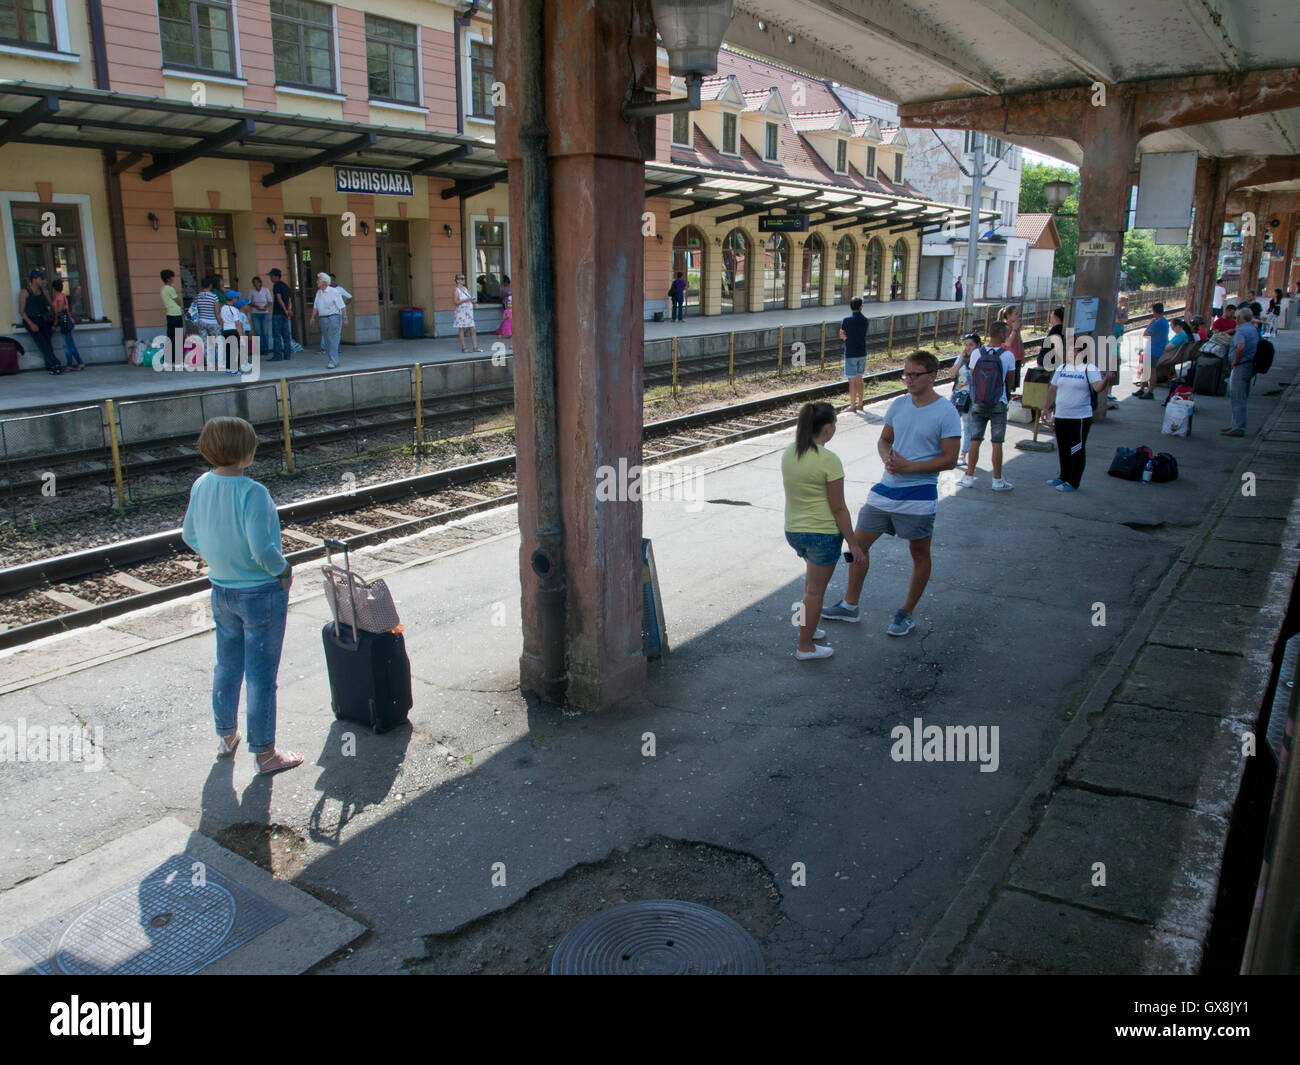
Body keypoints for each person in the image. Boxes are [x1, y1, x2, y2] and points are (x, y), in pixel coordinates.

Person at [182, 416, 302, 775]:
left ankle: (226, 735)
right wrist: (283, 570)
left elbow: (189, 534)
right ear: (247, 451)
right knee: (262, 675)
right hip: (260, 593)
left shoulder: (201, 485)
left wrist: (221, 560)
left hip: (221, 590)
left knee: (227, 665)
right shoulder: (253, 493)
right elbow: (263, 549)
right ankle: (265, 754)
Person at [822, 350, 961, 637]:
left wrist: (911, 467)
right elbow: (884, 440)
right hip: (886, 489)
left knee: (919, 553)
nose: (908, 379)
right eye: (905, 374)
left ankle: (906, 612)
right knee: (856, 547)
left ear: (932, 376)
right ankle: (850, 604)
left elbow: (949, 459)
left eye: (915, 374)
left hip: (920, 493)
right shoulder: (898, 405)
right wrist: (887, 457)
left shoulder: (946, 412)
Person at [781, 402, 866, 660]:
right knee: (814, 592)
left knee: (811, 587)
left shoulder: (790, 452)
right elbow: (839, 508)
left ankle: (809, 629)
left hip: (794, 531)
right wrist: (853, 543)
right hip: (822, 534)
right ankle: (805, 646)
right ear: (828, 429)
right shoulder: (829, 461)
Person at [956, 320, 1016, 491]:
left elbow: (974, 377)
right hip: (999, 402)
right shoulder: (1008, 355)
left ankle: (968, 477)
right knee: (997, 442)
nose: (1007, 335)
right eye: (1006, 332)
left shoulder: (976, 354)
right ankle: (997, 481)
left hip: (979, 402)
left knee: (975, 440)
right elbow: (1010, 382)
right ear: (1000, 334)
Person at [1041, 335, 1106, 491]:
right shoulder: (1062, 368)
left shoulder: (1089, 369)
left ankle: (1073, 481)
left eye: (1073, 349)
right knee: (1063, 447)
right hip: (1062, 415)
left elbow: (1097, 387)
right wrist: (1046, 408)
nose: (1069, 352)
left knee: (1076, 448)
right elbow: (1053, 389)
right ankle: (1063, 476)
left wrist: (1107, 379)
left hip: (1080, 417)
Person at [1222, 305, 1260, 438]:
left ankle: (1238, 428)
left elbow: (1240, 347)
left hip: (1241, 366)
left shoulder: (1241, 331)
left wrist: (1235, 361)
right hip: (1250, 366)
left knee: (1237, 398)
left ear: (1239, 318)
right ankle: (1235, 424)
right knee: (1241, 396)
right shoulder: (1252, 329)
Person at [20, 269, 61, 374]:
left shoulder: (44, 291)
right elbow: (22, 311)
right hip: (32, 320)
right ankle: (55, 363)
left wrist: (55, 320)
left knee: (47, 343)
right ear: (34, 279)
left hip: (44, 319)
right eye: (41, 279)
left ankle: (50, 365)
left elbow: (52, 306)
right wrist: (30, 323)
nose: (44, 281)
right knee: (42, 343)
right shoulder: (25, 292)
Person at [951, 331, 980, 464]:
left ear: (978, 346)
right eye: (966, 345)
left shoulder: (980, 359)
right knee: (951, 423)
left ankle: (963, 454)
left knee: (967, 426)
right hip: (957, 395)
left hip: (970, 397)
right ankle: (950, 451)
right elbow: (952, 375)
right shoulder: (961, 358)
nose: (968, 348)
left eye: (971, 345)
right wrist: (961, 360)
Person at [839, 297, 869, 412]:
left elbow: (842, 335)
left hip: (850, 353)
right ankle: (860, 404)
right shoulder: (865, 320)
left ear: (851, 307)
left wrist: (847, 338)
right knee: (860, 379)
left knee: (852, 381)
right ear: (861, 307)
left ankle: (852, 406)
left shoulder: (846, 320)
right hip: (862, 352)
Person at [310, 272, 346, 368]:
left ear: (324, 282)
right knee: (327, 340)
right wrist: (312, 317)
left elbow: (342, 306)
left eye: (318, 280)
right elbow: (315, 306)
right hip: (323, 318)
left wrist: (345, 318)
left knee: (332, 339)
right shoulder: (319, 293)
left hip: (333, 317)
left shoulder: (333, 291)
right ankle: (333, 360)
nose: (317, 281)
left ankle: (333, 361)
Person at [1134, 302, 1169, 399]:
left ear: (1154, 311)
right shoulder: (1165, 322)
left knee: (1151, 371)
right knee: (1147, 370)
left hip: (1153, 349)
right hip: (1157, 348)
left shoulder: (1157, 323)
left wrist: (1150, 323)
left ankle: (1150, 392)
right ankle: (1142, 389)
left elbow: (1145, 334)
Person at [50, 279, 83, 370]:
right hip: (67, 323)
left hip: (66, 323)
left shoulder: (59, 297)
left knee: (68, 345)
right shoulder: (61, 296)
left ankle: (71, 364)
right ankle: (79, 363)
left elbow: (59, 311)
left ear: (53, 288)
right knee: (70, 344)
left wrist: (55, 323)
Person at [191, 276, 222, 360]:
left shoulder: (197, 297)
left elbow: (194, 309)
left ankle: (209, 361)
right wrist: (221, 323)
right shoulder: (213, 297)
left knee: (204, 342)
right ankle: (219, 360)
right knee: (217, 342)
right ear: (210, 285)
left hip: (201, 321)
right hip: (212, 322)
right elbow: (217, 312)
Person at [219, 289, 247, 375]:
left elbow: (221, 320)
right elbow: (237, 323)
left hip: (225, 331)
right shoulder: (233, 309)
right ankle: (235, 369)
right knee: (235, 350)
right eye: (236, 298)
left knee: (228, 350)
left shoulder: (223, 308)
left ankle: (228, 368)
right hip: (233, 330)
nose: (237, 299)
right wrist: (241, 335)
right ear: (233, 299)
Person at [268, 267, 293, 362]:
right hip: (285, 314)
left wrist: (284, 309)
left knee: (277, 335)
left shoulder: (276, 285)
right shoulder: (286, 286)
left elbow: (278, 298)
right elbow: (289, 300)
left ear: (276, 276)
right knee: (286, 335)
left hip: (278, 313)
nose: (270, 278)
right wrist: (288, 310)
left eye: (271, 276)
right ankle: (287, 354)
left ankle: (277, 355)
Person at [453, 272, 480, 352]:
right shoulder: (456, 290)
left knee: (473, 328)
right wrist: (466, 300)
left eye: (464, 278)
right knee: (462, 329)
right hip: (461, 312)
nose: (463, 280)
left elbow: (467, 298)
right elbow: (455, 302)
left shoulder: (465, 289)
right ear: (457, 280)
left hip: (468, 312)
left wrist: (470, 299)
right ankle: (464, 347)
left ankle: (475, 347)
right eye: (462, 279)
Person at [161, 269, 184, 357]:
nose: (173, 279)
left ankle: (169, 358)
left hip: (169, 314)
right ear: (168, 279)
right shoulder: (170, 288)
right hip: (176, 314)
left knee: (170, 336)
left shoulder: (162, 288)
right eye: (172, 277)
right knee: (178, 337)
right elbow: (177, 300)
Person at [248, 276, 272, 351]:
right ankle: (260, 349)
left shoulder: (265, 290)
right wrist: (255, 306)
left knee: (265, 332)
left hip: (265, 312)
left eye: (257, 282)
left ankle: (266, 348)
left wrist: (265, 307)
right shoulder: (251, 291)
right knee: (258, 332)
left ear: (260, 283)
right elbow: (248, 301)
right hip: (255, 312)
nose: (256, 284)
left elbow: (270, 301)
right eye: (254, 283)